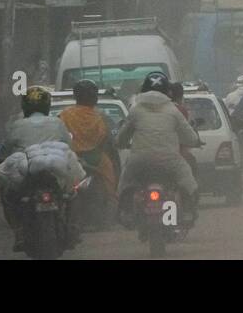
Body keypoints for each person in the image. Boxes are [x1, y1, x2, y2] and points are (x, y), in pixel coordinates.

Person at [114, 71, 200, 223]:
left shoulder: (136, 110)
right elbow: (191, 137)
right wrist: (195, 141)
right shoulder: (173, 110)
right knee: (188, 180)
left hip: (139, 161)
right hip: (170, 160)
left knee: (125, 182)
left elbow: (122, 137)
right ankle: (187, 211)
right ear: (168, 91)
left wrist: (120, 144)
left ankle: (125, 211)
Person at [0, 86, 75, 251]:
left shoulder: (17, 125)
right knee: (71, 194)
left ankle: (19, 232)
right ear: (46, 106)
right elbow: (69, 147)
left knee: (8, 194)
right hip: (53, 173)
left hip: (27, 173)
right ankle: (71, 228)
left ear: (25, 106)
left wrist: (1, 161)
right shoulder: (58, 122)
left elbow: (5, 150)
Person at [58, 80, 118, 227]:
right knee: (112, 181)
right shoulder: (101, 117)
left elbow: (59, 138)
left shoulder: (64, 115)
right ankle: (113, 215)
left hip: (72, 159)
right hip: (96, 159)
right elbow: (108, 141)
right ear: (95, 98)